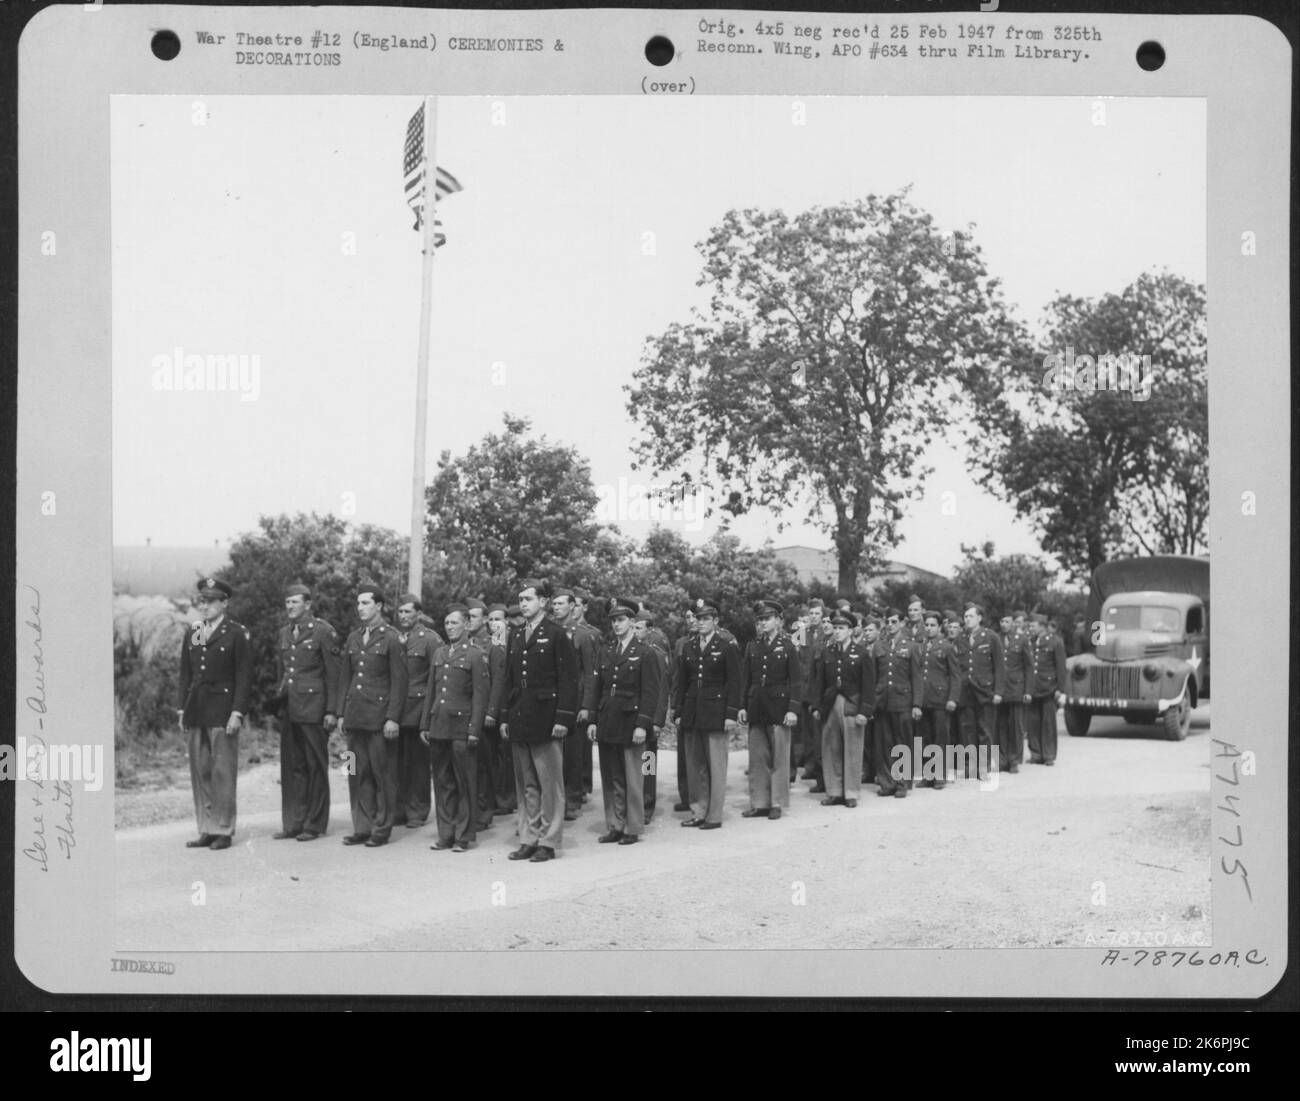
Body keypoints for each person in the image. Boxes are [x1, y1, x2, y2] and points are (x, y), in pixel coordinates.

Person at [501, 579, 578, 862]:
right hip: (521, 718)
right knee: (527, 785)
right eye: (520, 599)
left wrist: (563, 718)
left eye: (528, 598)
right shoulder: (517, 634)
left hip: (547, 720)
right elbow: (510, 680)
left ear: (543, 602)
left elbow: (570, 681)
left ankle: (549, 840)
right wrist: (505, 716)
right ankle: (529, 837)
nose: (523, 604)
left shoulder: (557, 634)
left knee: (550, 785)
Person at [178, 578, 252, 850]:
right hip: (197, 709)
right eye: (202, 601)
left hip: (223, 711)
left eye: (210, 601)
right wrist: (181, 708)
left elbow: (244, 676)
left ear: (224, 603)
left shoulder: (237, 633)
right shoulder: (196, 630)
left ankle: (223, 828)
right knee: (201, 771)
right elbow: (187, 671)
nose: (204, 606)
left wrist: (237, 712)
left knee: (222, 772)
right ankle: (206, 828)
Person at [337, 586, 409, 847]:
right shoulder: (353, 638)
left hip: (379, 720)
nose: (360, 607)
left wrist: (393, 718)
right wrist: (340, 713)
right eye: (358, 603)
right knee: (355, 772)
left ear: (379, 606)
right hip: (355, 719)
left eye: (366, 602)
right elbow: (345, 677)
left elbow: (400, 683)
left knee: (382, 774)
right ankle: (361, 826)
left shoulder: (392, 638)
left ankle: (381, 827)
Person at [588, 598, 663, 845]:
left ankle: (632, 826)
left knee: (633, 777)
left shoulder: (645, 652)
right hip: (608, 719)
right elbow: (596, 688)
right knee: (611, 777)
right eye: (613, 621)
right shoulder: (606, 651)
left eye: (621, 620)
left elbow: (651, 692)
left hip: (631, 722)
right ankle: (615, 824)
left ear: (632, 622)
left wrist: (643, 724)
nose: (617, 625)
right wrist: (592, 719)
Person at [274, 583, 339, 841]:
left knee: (315, 766)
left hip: (314, 708)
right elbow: (282, 673)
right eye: (287, 602)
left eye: (295, 602)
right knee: (292, 767)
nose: (290, 607)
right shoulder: (284, 634)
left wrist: (332, 710)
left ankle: (314, 823)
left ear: (308, 605)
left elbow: (333, 674)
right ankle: (293, 822)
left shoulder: (323, 632)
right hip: (290, 707)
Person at [421, 604, 489, 852]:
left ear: (466, 625)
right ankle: (445, 833)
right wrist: (425, 724)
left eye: (455, 623)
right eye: (447, 623)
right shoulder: (439, 654)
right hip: (439, 725)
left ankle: (463, 835)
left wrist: (474, 729)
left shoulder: (475, 655)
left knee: (464, 781)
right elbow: (431, 691)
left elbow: (480, 696)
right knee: (442, 782)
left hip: (462, 727)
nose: (450, 627)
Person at [673, 597, 741, 830]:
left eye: (705, 619)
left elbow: (734, 682)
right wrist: (678, 711)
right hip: (693, 712)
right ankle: (698, 810)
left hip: (716, 712)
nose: (700, 623)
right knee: (695, 766)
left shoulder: (726, 645)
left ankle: (714, 814)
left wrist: (731, 714)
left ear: (715, 621)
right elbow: (682, 682)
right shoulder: (689, 646)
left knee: (716, 766)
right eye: (698, 618)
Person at [739, 599, 800, 820]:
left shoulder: (789, 645)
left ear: (779, 621)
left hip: (779, 708)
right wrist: (743, 706)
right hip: (757, 706)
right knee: (757, 758)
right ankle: (760, 802)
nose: (763, 623)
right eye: (760, 619)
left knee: (779, 759)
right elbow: (746, 679)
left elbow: (795, 681)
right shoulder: (752, 645)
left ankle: (776, 802)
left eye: (767, 618)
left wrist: (793, 709)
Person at [393, 594, 446, 829]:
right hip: (395, 710)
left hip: (418, 709)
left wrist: (432, 712)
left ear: (419, 614)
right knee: (396, 763)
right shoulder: (393, 637)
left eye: (408, 612)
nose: (403, 616)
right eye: (401, 612)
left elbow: (439, 677)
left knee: (418, 764)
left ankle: (417, 810)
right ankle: (398, 809)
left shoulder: (430, 639)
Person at [811, 611, 874, 807]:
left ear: (851, 630)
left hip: (851, 705)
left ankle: (851, 792)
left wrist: (865, 711)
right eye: (835, 628)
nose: (837, 632)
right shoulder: (827, 652)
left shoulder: (862, 653)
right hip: (830, 705)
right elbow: (818, 681)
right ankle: (835, 791)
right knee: (831, 748)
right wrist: (816, 706)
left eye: (841, 628)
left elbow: (868, 686)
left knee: (853, 749)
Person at [551, 587, 600, 821]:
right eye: (554, 604)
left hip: (576, 703)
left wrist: (587, 707)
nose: (556, 608)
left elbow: (590, 674)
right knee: (555, 754)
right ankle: (558, 799)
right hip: (553, 703)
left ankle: (573, 797)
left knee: (574, 755)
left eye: (561, 604)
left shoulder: (583, 635)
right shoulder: (550, 631)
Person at [874, 608, 922, 796]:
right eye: (888, 621)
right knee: (884, 743)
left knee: (902, 743)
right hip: (882, 701)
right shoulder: (879, 646)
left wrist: (917, 704)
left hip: (903, 701)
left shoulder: (911, 646)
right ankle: (887, 783)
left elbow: (916, 677)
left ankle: (902, 782)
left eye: (895, 621)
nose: (891, 625)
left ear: (902, 623)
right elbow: (875, 676)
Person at [956, 603, 1004, 780]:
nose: (967, 619)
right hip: (966, 691)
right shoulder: (960, 638)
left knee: (985, 730)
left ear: (979, 618)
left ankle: (984, 767)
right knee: (967, 729)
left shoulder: (991, 637)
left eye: (970, 616)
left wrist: (998, 691)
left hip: (985, 690)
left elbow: (999, 666)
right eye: (965, 616)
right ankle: (970, 765)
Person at [634, 609, 672, 820]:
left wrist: (657, 721)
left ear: (649, 630)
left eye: (639, 628)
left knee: (648, 762)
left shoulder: (656, 653)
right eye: (634, 627)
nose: (635, 631)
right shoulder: (631, 651)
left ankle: (647, 804)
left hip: (649, 721)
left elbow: (661, 689)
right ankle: (634, 803)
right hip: (633, 717)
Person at [915, 611, 960, 788]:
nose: (929, 628)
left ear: (940, 627)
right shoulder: (920, 646)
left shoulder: (947, 646)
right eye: (927, 625)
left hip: (941, 699)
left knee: (941, 737)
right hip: (924, 699)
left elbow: (955, 676)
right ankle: (928, 774)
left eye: (933, 625)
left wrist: (953, 698)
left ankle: (940, 775)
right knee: (925, 737)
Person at [1024, 613, 1068, 766]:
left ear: (1042, 626)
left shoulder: (1055, 642)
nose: (1030, 629)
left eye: (1032, 626)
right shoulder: (1030, 642)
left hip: (1049, 688)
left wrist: (1060, 689)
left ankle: (1049, 754)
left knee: (1048, 724)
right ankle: (1036, 753)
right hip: (1033, 688)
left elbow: (1061, 667)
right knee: (1033, 723)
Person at [485, 604, 515, 818]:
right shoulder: (489, 645)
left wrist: (497, 710)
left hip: (508, 705)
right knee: (494, 755)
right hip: (493, 705)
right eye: (491, 619)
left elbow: (503, 682)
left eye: (498, 619)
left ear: (506, 621)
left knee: (506, 755)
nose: (494, 623)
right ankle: (497, 796)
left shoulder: (510, 644)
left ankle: (506, 798)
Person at [795, 598, 828, 792]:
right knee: (805, 731)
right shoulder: (802, 632)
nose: (814, 617)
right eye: (812, 614)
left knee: (818, 733)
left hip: (818, 689)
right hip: (804, 688)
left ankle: (819, 771)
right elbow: (797, 657)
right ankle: (809, 766)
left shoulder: (826, 633)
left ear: (822, 615)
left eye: (817, 614)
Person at [666, 608, 697, 812]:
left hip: (647, 711)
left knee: (647, 756)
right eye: (688, 617)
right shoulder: (680, 643)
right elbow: (675, 678)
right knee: (683, 755)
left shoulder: (656, 642)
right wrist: (674, 706)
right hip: (681, 704)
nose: (692, 620)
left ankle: (647, 799)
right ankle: (686, 795)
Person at [997, 610, 1030, 774]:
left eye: (1007, 621)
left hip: (1016, 688)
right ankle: (1002, 759)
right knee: (1001, 726)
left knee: (1016, 726)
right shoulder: (995, 639)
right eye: (1001, 621)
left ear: (1013, 623)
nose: (1004, 624)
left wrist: (1028, 690)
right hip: (1000, 690)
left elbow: (1028, 666)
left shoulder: (1022, 640)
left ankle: (1014, 760)